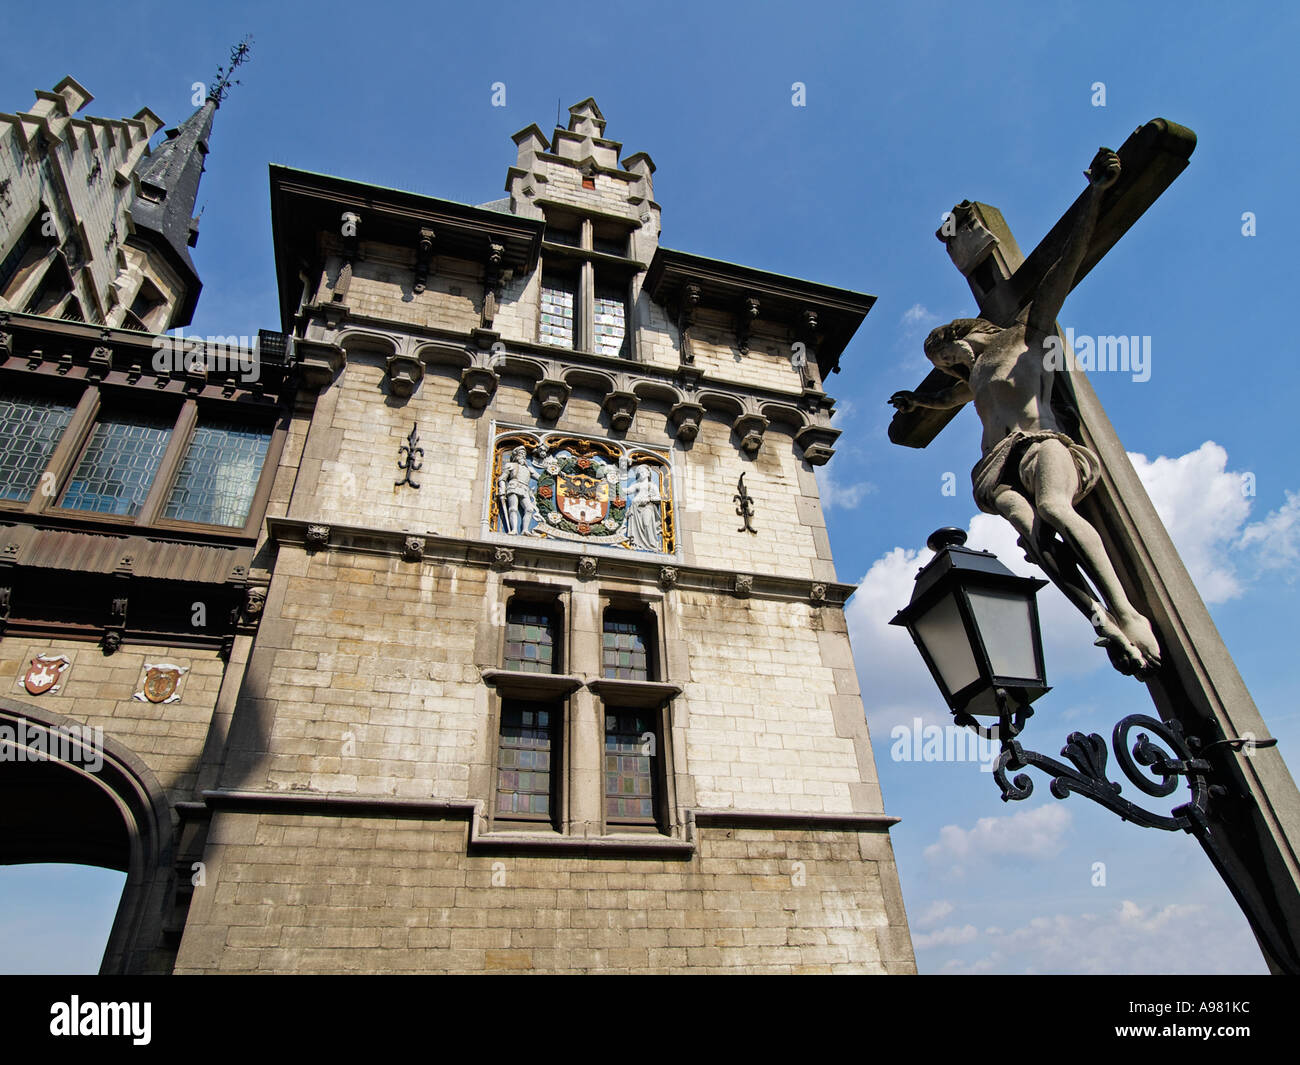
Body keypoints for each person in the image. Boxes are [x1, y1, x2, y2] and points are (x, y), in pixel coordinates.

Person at [889, 147, 1161, 677]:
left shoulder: (1024, 335)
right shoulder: (969, 379)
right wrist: (918, 401)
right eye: (946, 365)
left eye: (950, 354)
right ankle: (1095, 614)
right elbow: (951, 398)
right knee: (1032, 536)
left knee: (1057, 512)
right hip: (993, 469)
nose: (952, 366)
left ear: (966, 333)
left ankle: (1125, 610)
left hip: (1040, 443)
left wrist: (1096, 195)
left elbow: (1062, 267)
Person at [626, 464, 662, 552]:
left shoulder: (652, 485)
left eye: (643, 472)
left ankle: (651, 545)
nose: (641, 474)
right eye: (639, 473)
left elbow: (658, 498)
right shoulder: (637, 485)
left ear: (648, 474)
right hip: (635, 508)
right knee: (635, 527)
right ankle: (636, 544)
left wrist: (649, 499)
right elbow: (628, 491)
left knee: (647, 524)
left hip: (647, 507)